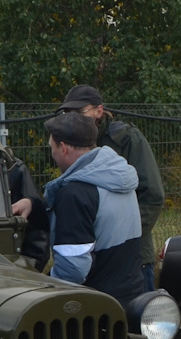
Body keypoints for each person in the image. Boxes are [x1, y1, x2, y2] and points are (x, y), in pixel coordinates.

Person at [9, 111, 146, 302]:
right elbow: (92, 224)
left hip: (96, 305)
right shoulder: (115, 177)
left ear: (63, 148)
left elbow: (73, 269)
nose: (53, 154)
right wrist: (34, 205)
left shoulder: (75, 194)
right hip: (131, 293)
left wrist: (40, 290)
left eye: (52, 148)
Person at [59, 85, 165, 287]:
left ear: (99, 111)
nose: (73, 119)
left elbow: (153, 196)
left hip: (133, 261)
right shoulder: (69, 144)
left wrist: (118, 237)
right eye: (67, 113)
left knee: (135, 317)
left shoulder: (127, 139)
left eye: (80, 112)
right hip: (89, 262)